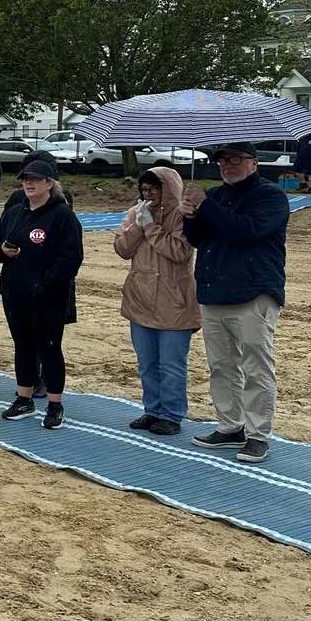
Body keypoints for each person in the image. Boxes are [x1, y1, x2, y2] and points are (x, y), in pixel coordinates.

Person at [181, 141, 290, 464]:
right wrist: (190, 216)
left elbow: (246, 230)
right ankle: (230, 426)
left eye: (235, 160)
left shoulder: (270, 196)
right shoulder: (215, 195)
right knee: (221, 366)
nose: (228, 166)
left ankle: (258, 435)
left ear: (254, 163)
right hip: (214, 291)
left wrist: (204, 205)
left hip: (252, 292)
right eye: (223, 162)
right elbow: (198, 239)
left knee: (256, 368)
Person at [0, 161, 84, 429]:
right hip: (15, 293)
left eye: (35, 179)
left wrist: (44, 284)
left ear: (50, 183)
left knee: (49, 348)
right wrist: (2, 251)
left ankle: (55, 405)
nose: (29, 183)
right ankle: (24, 398)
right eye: (25, 179)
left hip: (48, 298)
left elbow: (71, 258)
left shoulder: (62, 215)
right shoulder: (14, 212)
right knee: (22, 346)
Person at [113, 167, 200, 435]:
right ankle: (152, 409)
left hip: (174, 300)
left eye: (154, 188)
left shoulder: (183, 215)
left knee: (172, 364)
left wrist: (150, 226)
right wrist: (139, 225)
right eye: (144, 189)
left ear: (168, 188)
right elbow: (122, 249)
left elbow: (179, 251)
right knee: (147, 363)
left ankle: (172, 414)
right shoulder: (136, 212)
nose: (148, 194)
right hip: (140, 297)